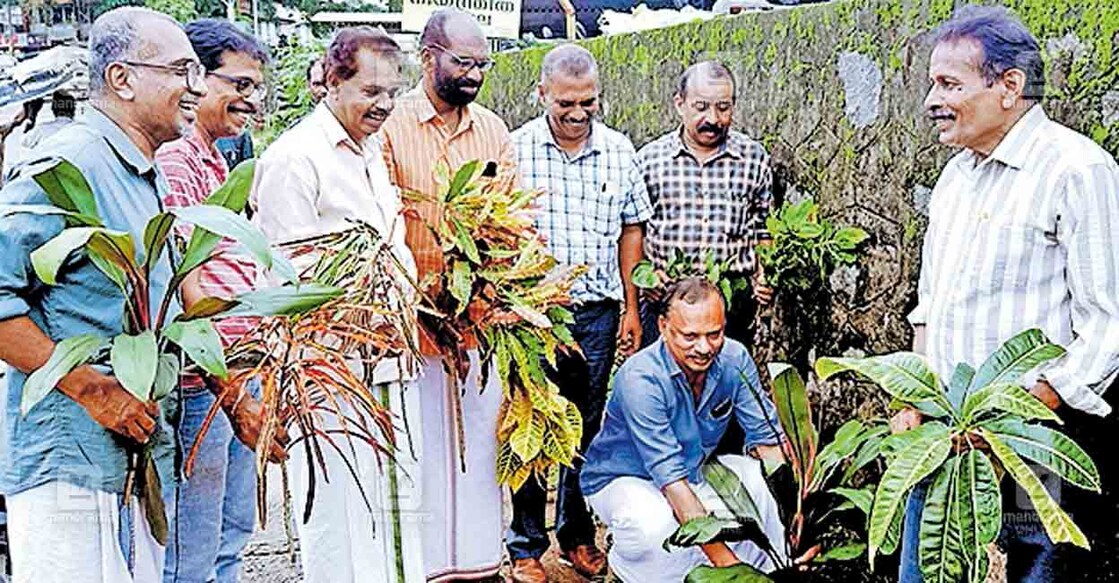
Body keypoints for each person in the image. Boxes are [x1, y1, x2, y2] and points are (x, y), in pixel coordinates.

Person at [901, 6, 1119, 583]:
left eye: (949, 84)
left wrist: (1022, 413)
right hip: (943, 444)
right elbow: (932, 305)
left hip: (1033, 447)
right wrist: (912, 402)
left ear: (1009, 87)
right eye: (932, 84)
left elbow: (1108, 324)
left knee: (1032, 570)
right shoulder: (955, 176)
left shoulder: (1077, 169)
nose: (931, 101)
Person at [0, 8, 205, 582]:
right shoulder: (69, 164)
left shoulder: (144, 171)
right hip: (70, 463)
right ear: (122, 78)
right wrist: (91, 389)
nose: (196, 87)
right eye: (180, 70)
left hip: (130, 460)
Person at [250, 26, 425, 583]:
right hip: (329, 374)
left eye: (392, 92)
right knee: (336, 520)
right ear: (331, 82)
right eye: (370, 91)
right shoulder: (294, 159)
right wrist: (361, 322)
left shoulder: (371, 151)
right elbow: (289, 280)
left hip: (390, 363)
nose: (385, 104)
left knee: (395, 515)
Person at [379, 8, 517, 581]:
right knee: (423, 455)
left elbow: (510, 223)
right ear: (427, 55)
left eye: (482, 63)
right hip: (413, 325)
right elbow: (383, 229)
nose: (475, 74)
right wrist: (422, 309)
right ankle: (428, 568)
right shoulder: (389, 127)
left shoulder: (493, 130)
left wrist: (491, 297)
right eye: (464, 62)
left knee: (479, 454)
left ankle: (481, 564)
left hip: (479, 320)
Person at [505, 44, 651, 582]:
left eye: (587, 102)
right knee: (528, 423)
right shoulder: (516, 149)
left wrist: (631, 308)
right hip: (532, 315)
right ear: (541, 93)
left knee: (583, 427)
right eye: (565, 102)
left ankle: (575, 534)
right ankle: (524, 542)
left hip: (597, 312)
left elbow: (632, 228)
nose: (577, 113)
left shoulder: (619, 150)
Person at [154, 19, 282, 583]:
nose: (249, 101)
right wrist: (231, 390)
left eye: (255, 88)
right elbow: (188, 287)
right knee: (193, 550)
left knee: (231, 536)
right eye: (239, 85)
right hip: (205, 386)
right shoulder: (176, 162)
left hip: (237, 374)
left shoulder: (215, 158)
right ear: (194, 78)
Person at [580, 276, 787, 582]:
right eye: (689, 337)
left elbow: (768, 443)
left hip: (692, 469)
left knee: (760, 484)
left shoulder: (734, 357)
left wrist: (797, 524)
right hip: (626, 478)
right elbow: (671, 481)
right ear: (663, 326)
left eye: (714, 334)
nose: (704, 348)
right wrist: (730, 569)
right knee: (653, 528)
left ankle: (775, 570)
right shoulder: (641, 378)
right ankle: (625, 567)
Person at [635, 61, 774, 349]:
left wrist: (765, 274)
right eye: (701, 107)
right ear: (679, 103)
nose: (713, 118)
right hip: (667, 300)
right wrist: (647, 274)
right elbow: (633, 231)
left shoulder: (753, 158)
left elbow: (764, 228)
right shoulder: (649, 161)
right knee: (664, 388)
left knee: (724, 389)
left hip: (730, 305)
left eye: (723, 108)